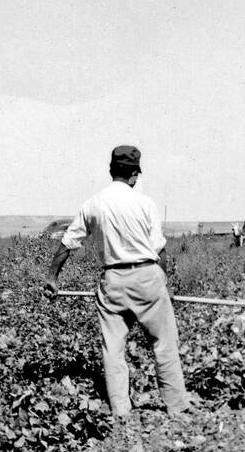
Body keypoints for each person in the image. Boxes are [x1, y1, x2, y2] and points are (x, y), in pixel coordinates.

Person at [43, 145, 192, 420]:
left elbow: (67, 242)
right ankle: (177, 408)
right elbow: (159, 250)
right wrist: (165, 287)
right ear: (134, 174)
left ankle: (121, 414)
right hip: (147, 277)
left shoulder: (93, 204)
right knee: (164, 343)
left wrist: (52, 278)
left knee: (113, 350)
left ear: (112, 170)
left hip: (112, 280)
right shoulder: (145, 203)